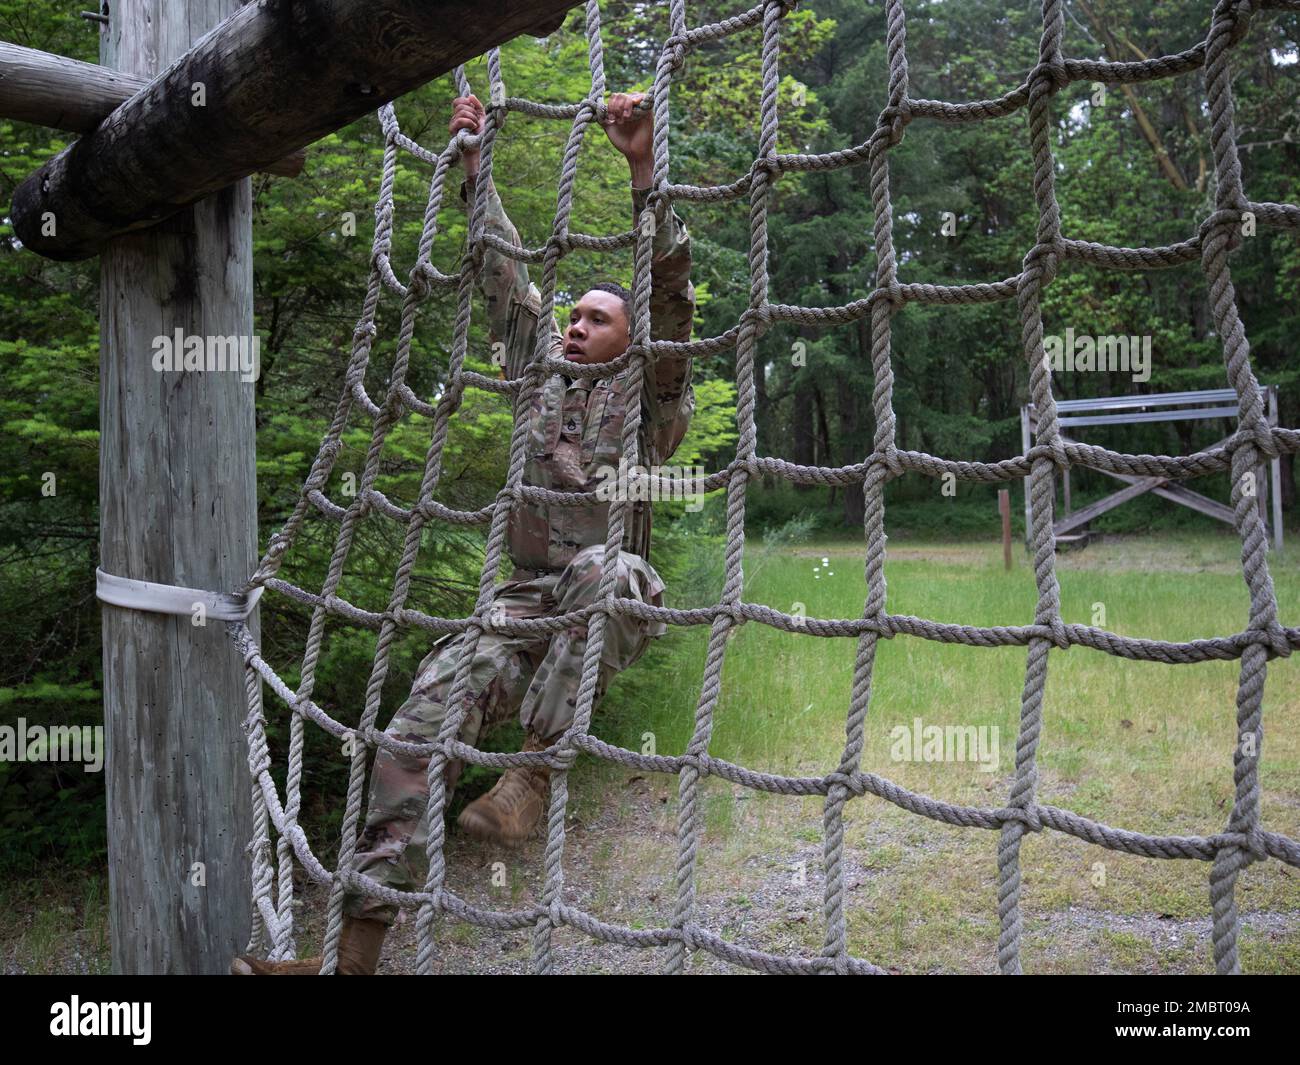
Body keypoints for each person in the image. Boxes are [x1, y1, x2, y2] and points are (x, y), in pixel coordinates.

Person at [232, 90, 695, 975]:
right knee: (413, 732)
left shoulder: (651, 395)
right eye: (575, 314)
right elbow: (500, 269)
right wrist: (477, 166)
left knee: (606, 568)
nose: (576, 323)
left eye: (598, 317)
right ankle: (354, 952)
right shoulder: (539, 375)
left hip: (604, 592)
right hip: (521, 603)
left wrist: (642, 167)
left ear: (629, 341)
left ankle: (531, 775)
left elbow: (669, 294)